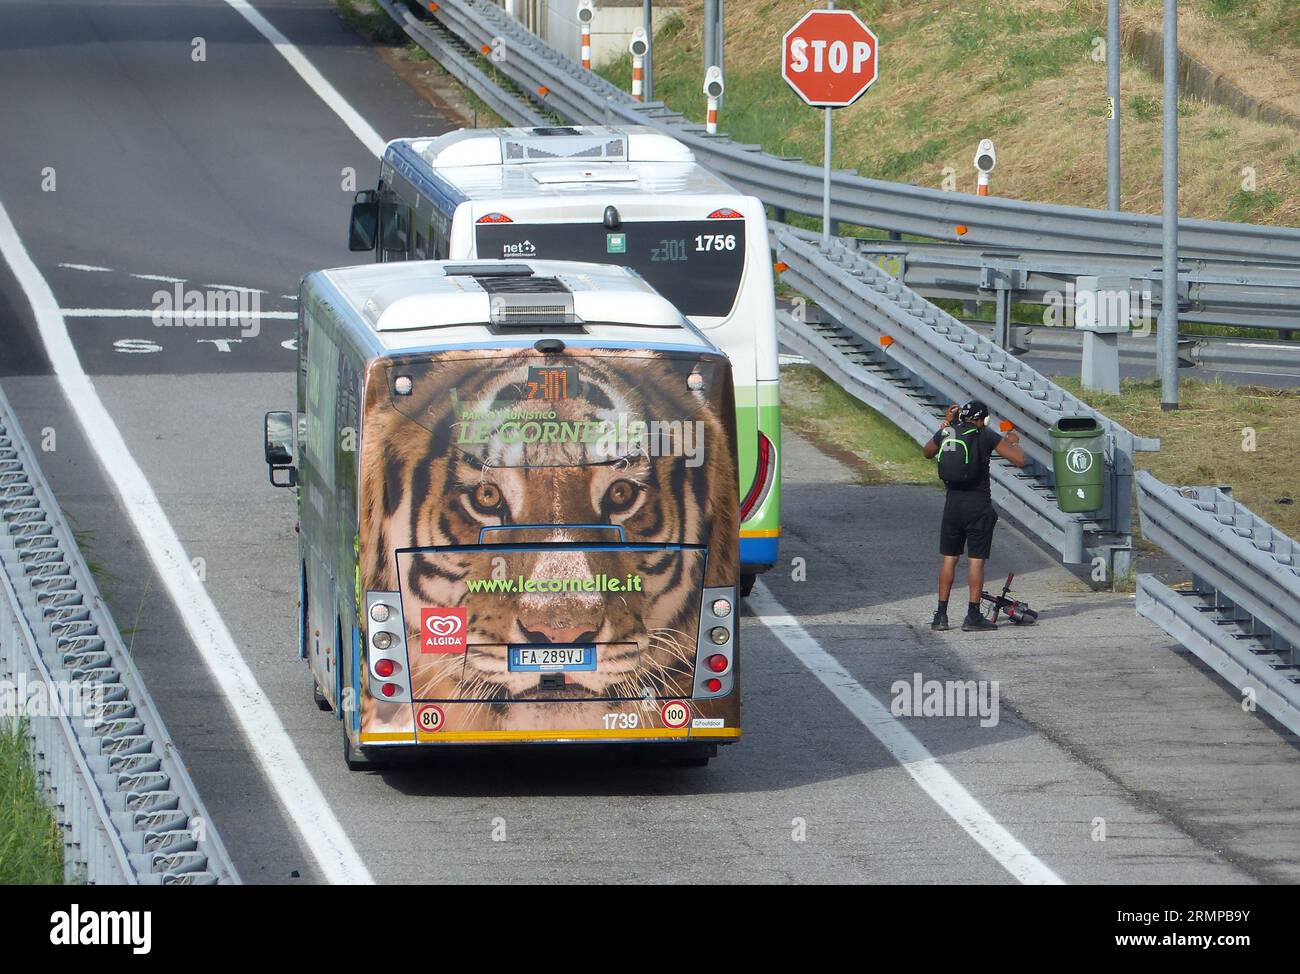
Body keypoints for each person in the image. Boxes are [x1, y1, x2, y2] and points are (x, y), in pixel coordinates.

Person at [922, 400, 1028, 632]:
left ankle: (940, 615)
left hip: (952, 506)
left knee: (949, 558)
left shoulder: (948, 432)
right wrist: (1013, 441)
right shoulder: (985, 434)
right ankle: (972, 615)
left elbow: (927, 452)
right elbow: (1020, 460)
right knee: (976, 561)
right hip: (977, 506)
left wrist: (946, 425)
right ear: (983, 419)